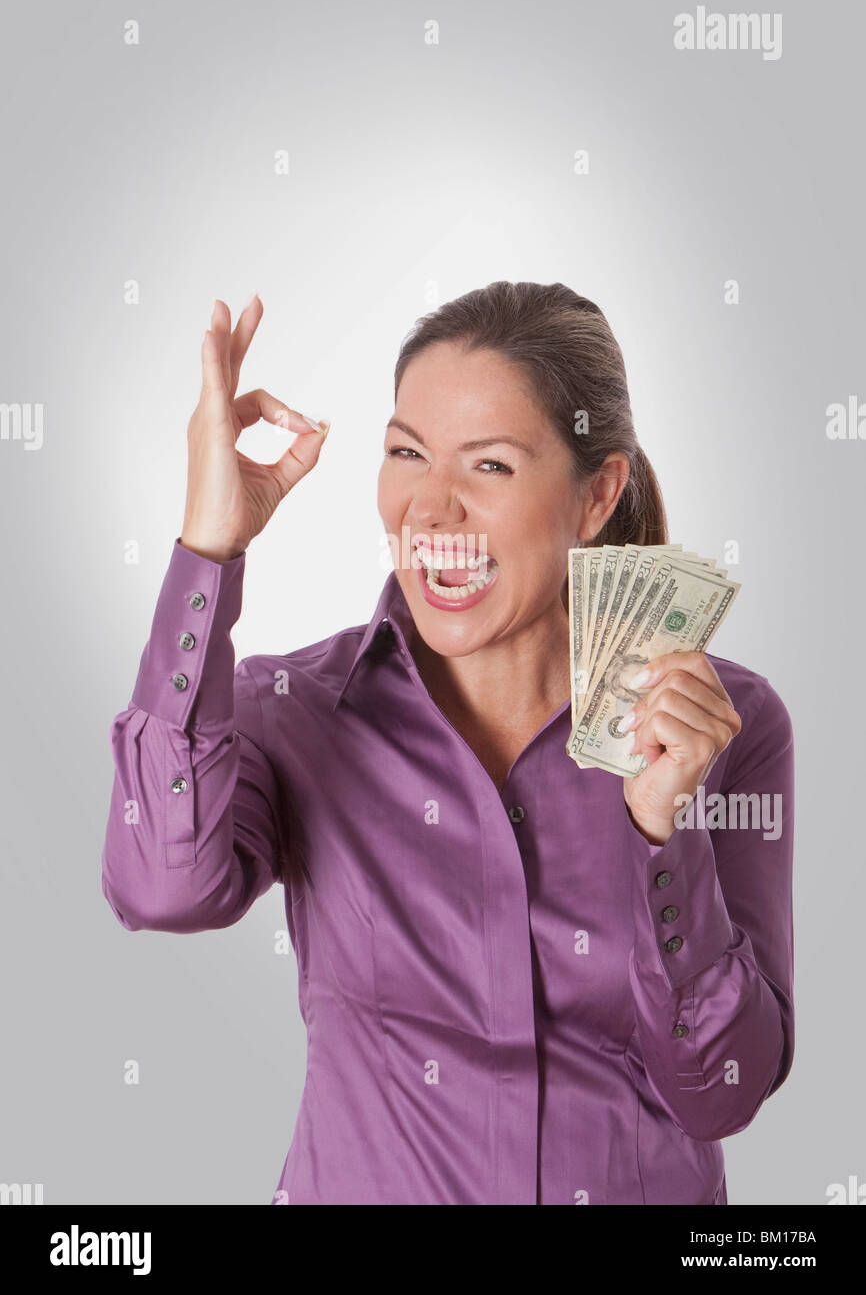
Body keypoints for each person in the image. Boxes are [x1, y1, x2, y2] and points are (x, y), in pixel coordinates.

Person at [101, 280, 795, 1205]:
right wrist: (207, 548)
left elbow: (725, 1092)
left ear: (599, 494)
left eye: (491, 467)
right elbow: (159, 887)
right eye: (407, 453)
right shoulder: (296, 707)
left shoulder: (722, 727)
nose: (429, 511)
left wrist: (665, 839)